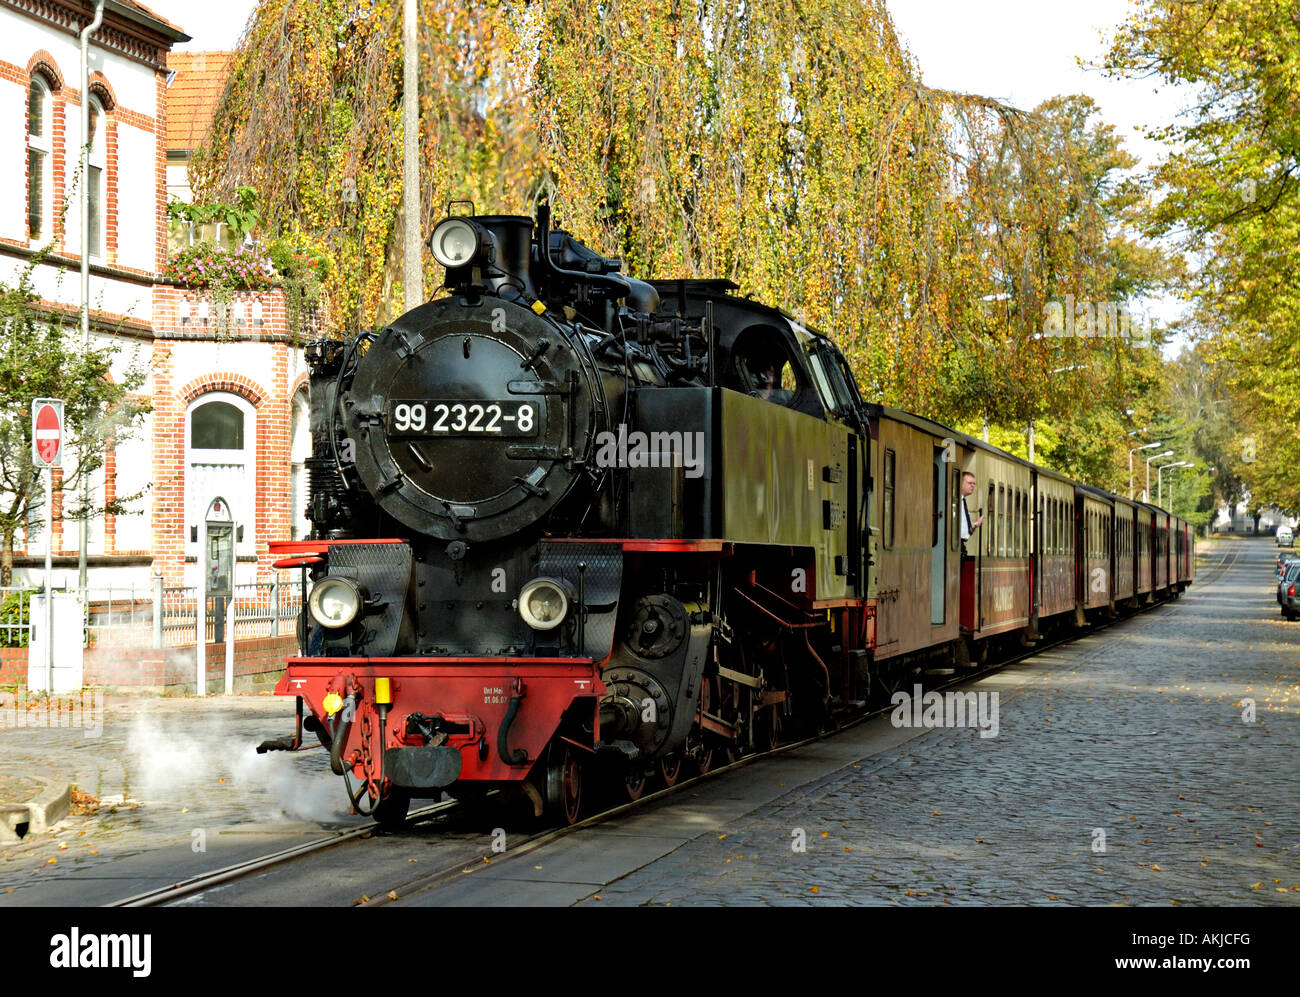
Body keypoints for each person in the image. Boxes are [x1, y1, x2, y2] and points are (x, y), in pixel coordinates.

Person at [960, 470, 985, 557]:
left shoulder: (962, 501)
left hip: (960, 545)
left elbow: (963, 525)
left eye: (974, 483)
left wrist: (976, 524)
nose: (973, 486)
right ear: (960, 483)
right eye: (970, 483)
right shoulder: (956, 502)